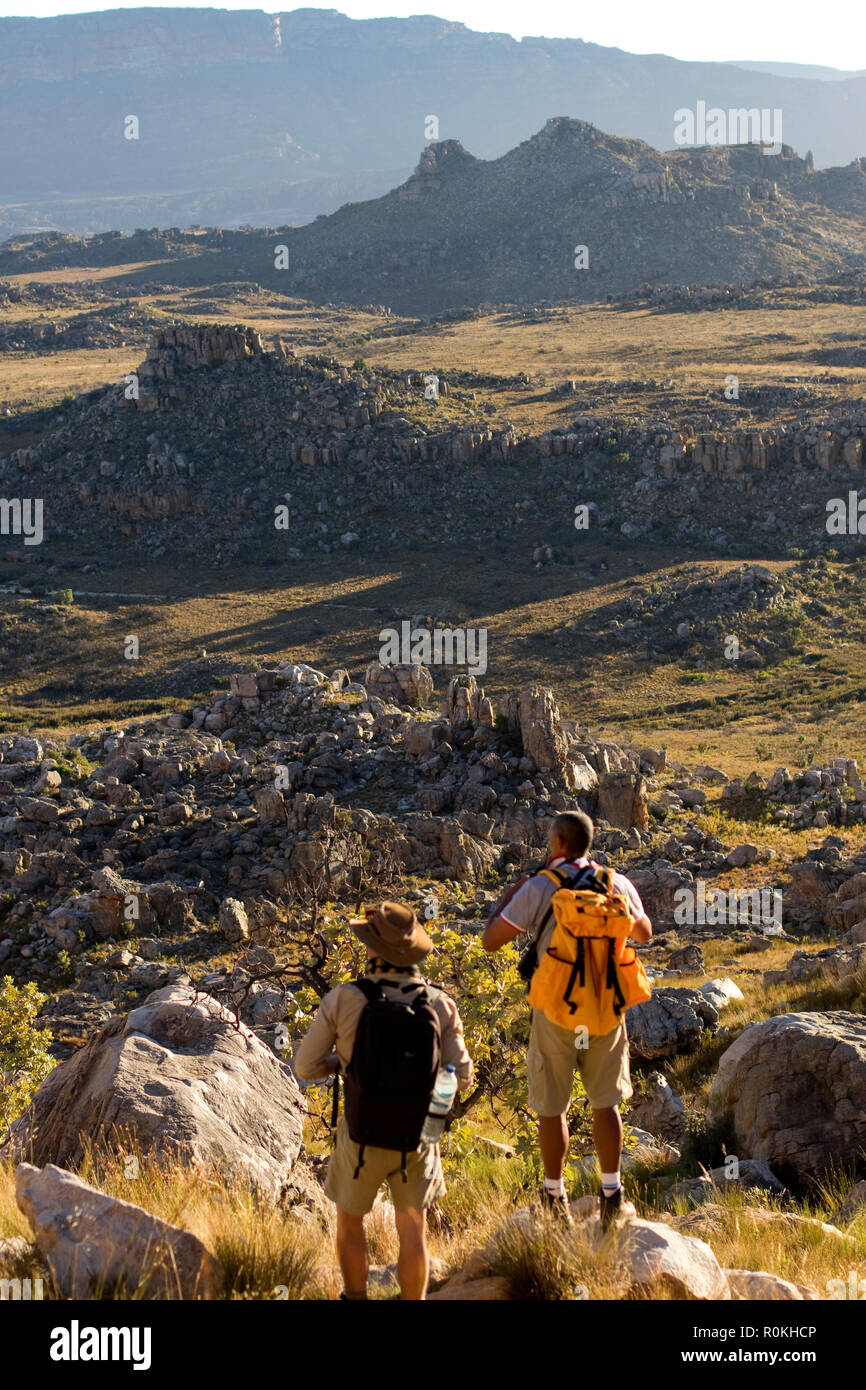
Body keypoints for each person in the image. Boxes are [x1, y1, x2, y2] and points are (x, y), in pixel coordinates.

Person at [294, 900, 473, 1301]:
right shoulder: (441, 1005)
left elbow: (304, 1067)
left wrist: (342, 1063)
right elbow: (461, 1077)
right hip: (418, 1137)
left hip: (362, 1134)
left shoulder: (344, 999)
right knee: (413, 1229)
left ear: (373, 948)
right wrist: (433, 1121)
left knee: (350, 1222)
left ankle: (356, 1297)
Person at [482, 808, 652, 1229]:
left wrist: (518, 892)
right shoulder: (616, 884)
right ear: (588, 845)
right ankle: (612, 1194)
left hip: (555, 1011)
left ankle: (554, 1195)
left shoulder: (541, 886)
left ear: (558, 844)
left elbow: (490, 941)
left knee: (552, 1106)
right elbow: (644, 932)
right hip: (606, 1009)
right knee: (606, 1101)